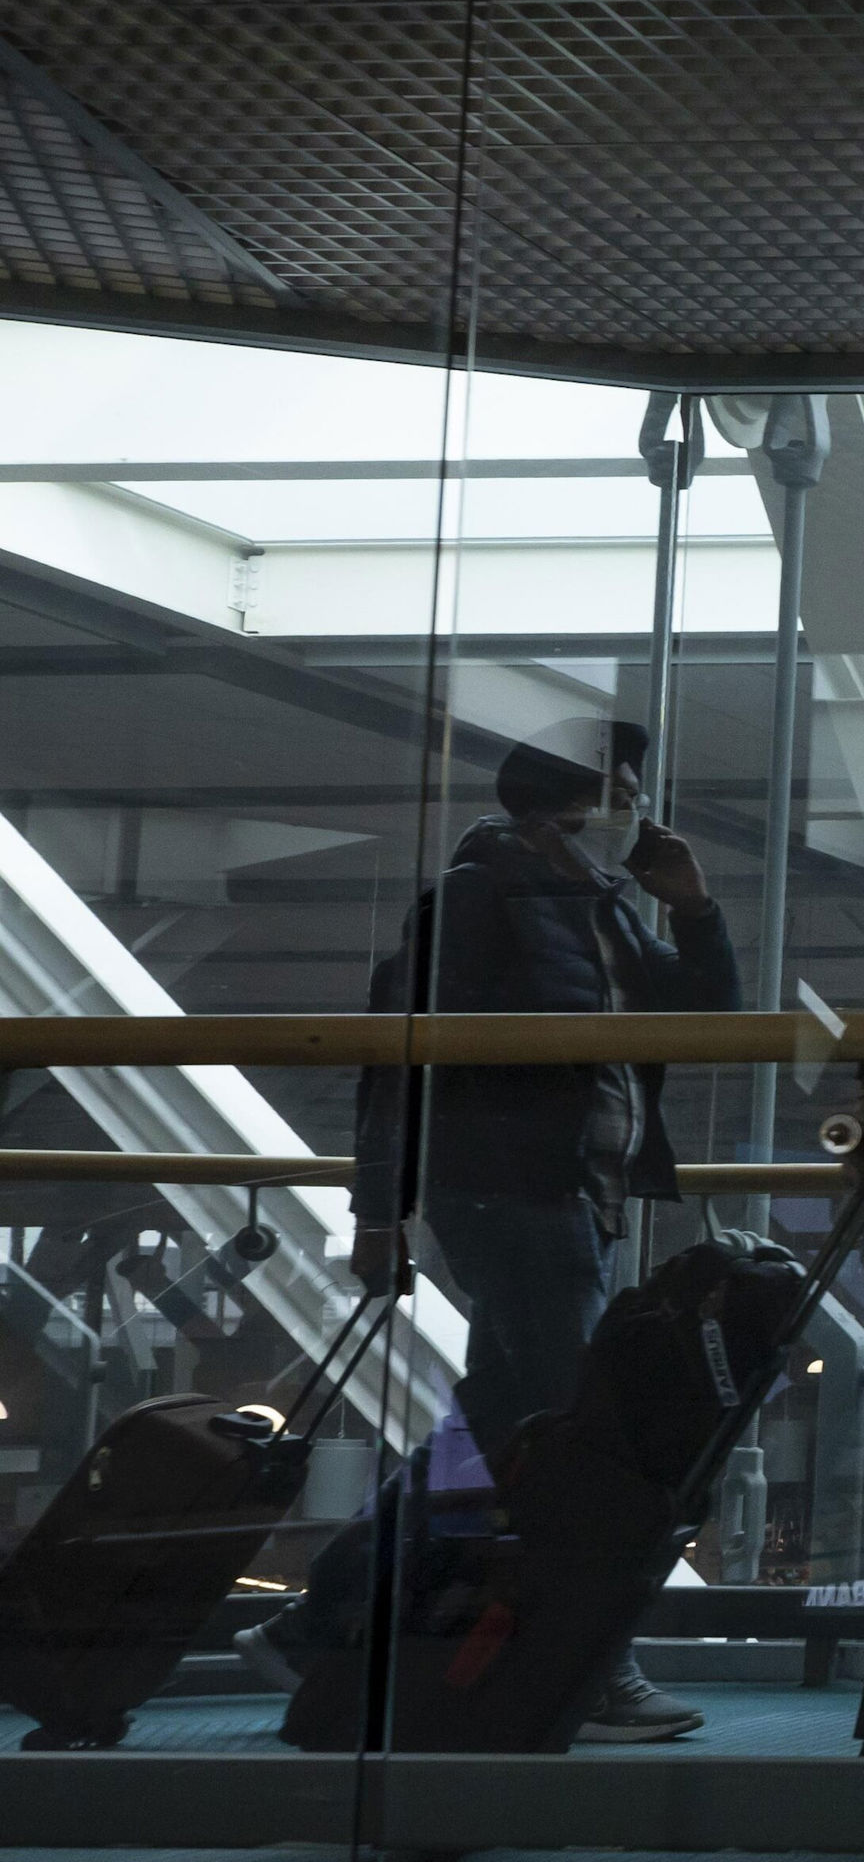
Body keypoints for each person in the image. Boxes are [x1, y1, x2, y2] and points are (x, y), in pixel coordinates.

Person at [244, 718, 738, 1741]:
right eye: (623, 788)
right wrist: (377, 1211)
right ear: (563, 803)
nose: (637, 806)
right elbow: (400, 1056)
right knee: (583, 1441)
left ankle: (316, 1622)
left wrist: (694, 910)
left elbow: (708, 1023)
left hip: (574, 1197)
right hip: (510, 1198)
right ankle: (596, 1672)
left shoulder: (601, 907)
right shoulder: (476, 899)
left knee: (495, 1436)